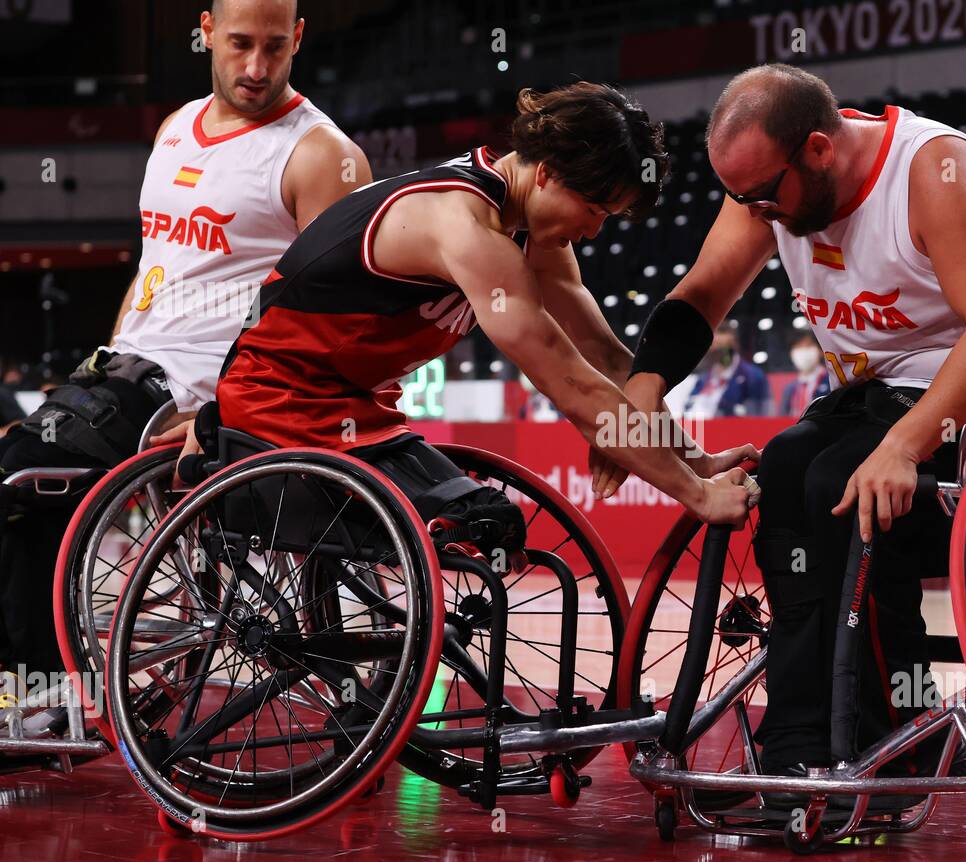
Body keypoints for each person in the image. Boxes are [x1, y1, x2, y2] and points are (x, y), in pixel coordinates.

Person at [600, 64, 966, 790]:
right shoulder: (767, 192)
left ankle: (888, 742)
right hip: (877, 393)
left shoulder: (935, 170)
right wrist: (640, 392)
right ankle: (799, 738)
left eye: (764, 196)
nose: (756, 213)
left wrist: (903, 446)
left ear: (819, 150)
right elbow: (700, 297)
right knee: (785, 472)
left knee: (843, 485)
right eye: (741, 198)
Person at [182, 82, 755, 557]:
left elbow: (606, 357)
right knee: (480, 521)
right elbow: (572, 385)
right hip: (280, 405)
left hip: (357, 409)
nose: (594, 232)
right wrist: (697, 495)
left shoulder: (527, 225)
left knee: (489, 523)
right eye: (594, 211)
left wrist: (692, 455)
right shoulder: (465, 230)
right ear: (550, 173)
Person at [0, 0, 370, 675]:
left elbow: (339, 320)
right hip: (125, 371)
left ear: (299, 38)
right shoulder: (174, 127)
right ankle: (31, 683)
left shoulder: (323, 156)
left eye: (274, 47)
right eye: (238, 44)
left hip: (196, 396)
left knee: (18, 486)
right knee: (20, 472)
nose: (256, 67)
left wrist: (232, 408)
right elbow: (155, 272)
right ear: (203, 32)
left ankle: (35, 693)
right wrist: (103, 363)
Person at [682, 326, 772, 417]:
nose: (714, 352)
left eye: (721, 348)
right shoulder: (704, 378)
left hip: (734, 428)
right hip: (699, 428)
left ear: (734, 344)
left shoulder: (752, 376)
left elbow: (760, 416)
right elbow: (687, 408)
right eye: (712, 348)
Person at [779, 329, 831, 415]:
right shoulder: (790, 389)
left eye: (808, 346)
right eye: (798, 346)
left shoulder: (831, 382)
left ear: (821, 350)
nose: (803, 351)